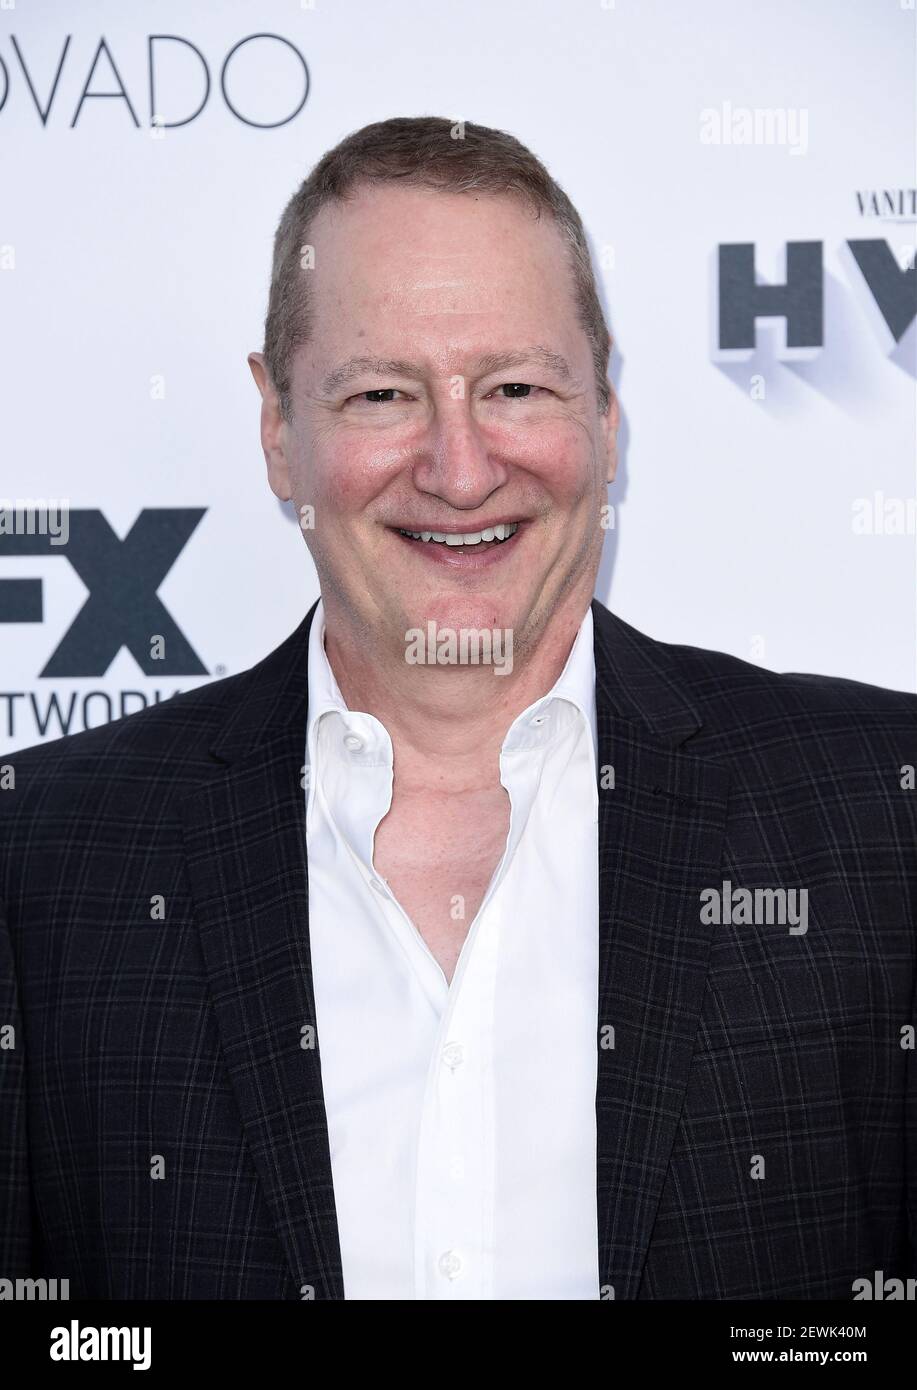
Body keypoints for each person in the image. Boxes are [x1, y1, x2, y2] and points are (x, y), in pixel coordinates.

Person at [1, 116, 914, 1301]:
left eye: (516, 386)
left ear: (605, 417)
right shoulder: (47, 858)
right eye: (382, 393)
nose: (460, 466)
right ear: (279, 429)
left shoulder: (878, 818)